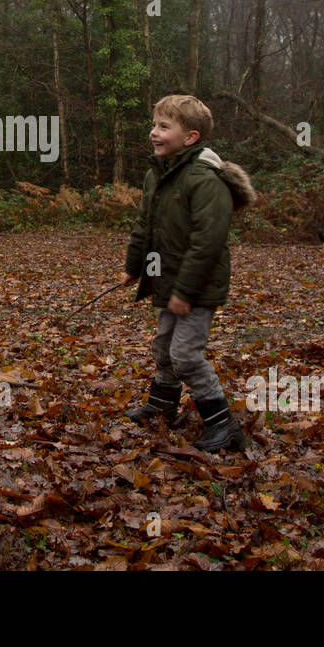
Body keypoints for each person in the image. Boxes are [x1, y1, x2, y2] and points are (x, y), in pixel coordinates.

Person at [119, 94, 256, 453]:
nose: (154, 132)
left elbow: (207, 244)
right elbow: (144, 225)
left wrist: (185, 292)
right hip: (168, 279)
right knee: (163, 347)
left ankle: (223, 425)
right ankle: (162, 405)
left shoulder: (205, 180)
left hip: (196, 287)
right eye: (154, 125)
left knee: (186, 355)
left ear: (191, 137)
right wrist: (134, 267)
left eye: (164, 126)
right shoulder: (158, 175)